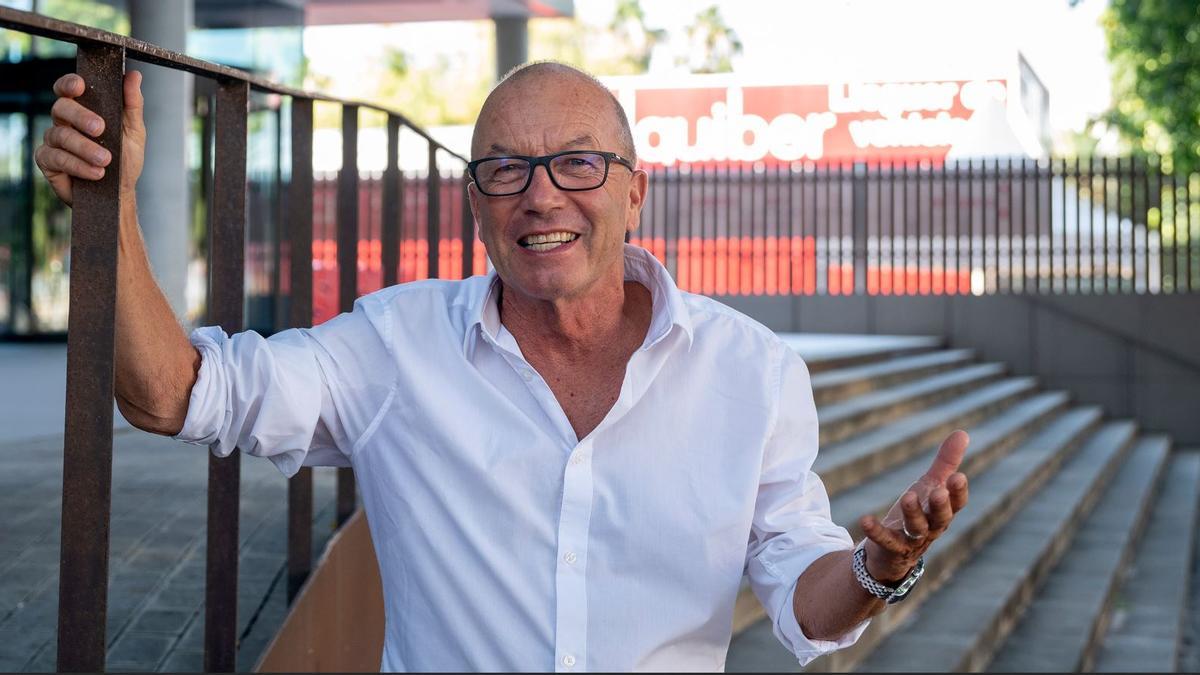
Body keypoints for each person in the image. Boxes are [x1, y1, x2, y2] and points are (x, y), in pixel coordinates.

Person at [36, 61, 969, 672]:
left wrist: (878, 563)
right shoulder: (394, 347)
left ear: (635, 193)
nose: (540, 195)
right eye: (506, 169)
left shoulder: (752, 373)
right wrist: (105, 212)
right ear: (476, 203)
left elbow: (805, 596)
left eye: (576, 164)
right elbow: (172, 393)